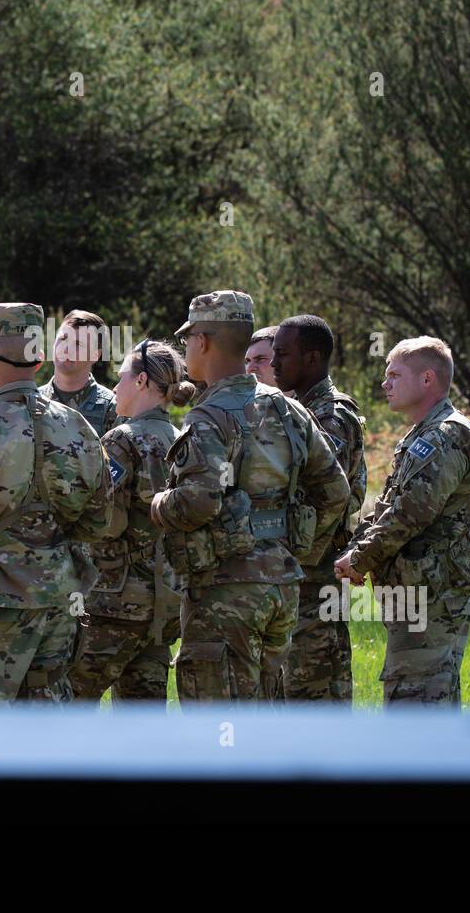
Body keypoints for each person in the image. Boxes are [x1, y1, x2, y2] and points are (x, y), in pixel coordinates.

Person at [150, 291, 350, 702]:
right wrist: (298, 549)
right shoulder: (286, 407)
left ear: (203, 342)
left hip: (226, 590)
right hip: (282, 585)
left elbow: (198, 501)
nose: (186, 346)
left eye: (188, 338)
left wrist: (158, 505)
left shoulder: (210, 416)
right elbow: (336, 489)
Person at [0, 302, 113, 702]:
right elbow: (100, 519)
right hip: (63, 595)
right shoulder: (76, 423)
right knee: (48, 715)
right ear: (38, 359)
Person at [334, 336, 470, 706]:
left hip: (434, 593)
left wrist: (360, 558)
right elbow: (390, 503)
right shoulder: (421, 435)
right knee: (416, 695)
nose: (385, 384)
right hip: (416, 589)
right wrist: (356, 548)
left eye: (395, 375)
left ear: (427, 379)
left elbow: (412, 512)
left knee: (418, 704)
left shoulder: (448, 434)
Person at [69, 339, 192, 704]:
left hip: (114, 602)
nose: (116, 387)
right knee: (143, 718)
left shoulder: (122, 440)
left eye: (121, 378)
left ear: (140, 383)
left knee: (68, 705)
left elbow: (97, 515)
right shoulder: (181, 438)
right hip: (164, 603)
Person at [270, 314, 367, 702]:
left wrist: (295, 549)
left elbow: (327, 494)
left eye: (283, 354)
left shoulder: (331, 416)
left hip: (316, 576)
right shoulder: (298, 410)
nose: (274, 363)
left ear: (312, 359)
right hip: (297, 576)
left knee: (314, 692)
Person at [38, 309, 120, 435]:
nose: (66, 349)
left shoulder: (111, 408)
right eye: (63, 339)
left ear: (95, 355)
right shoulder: (33, 401)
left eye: (77, 344)